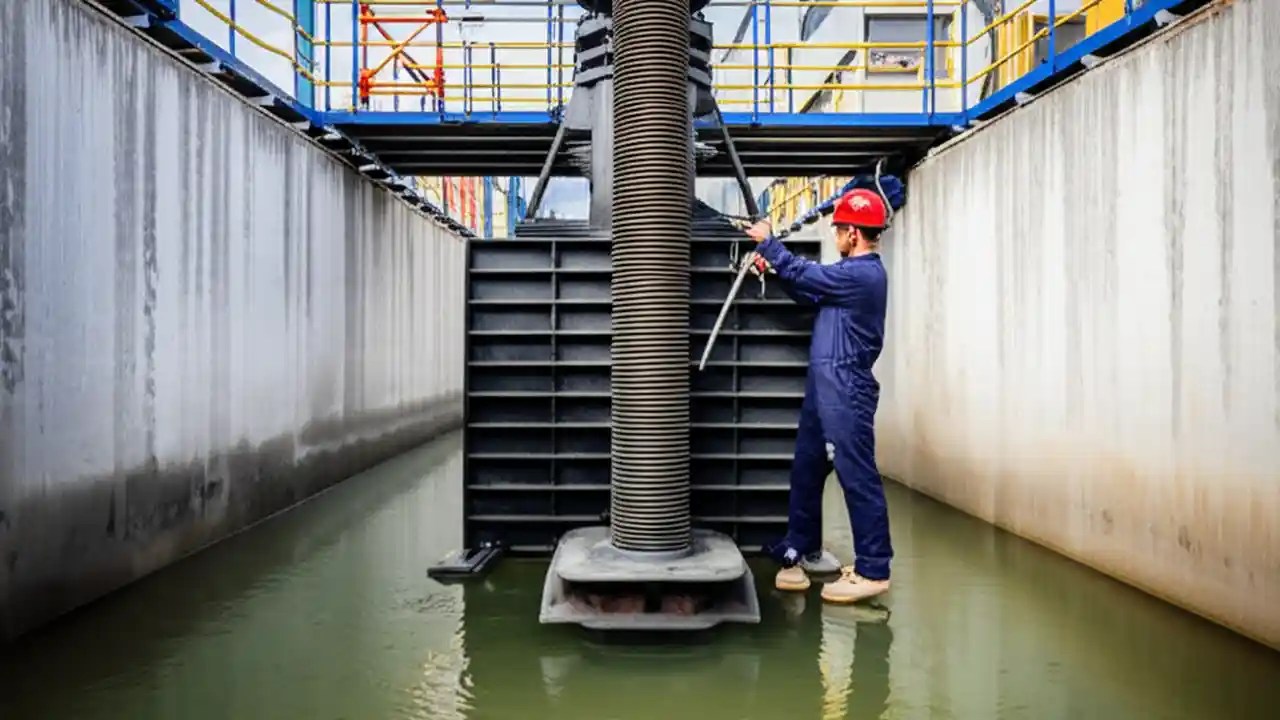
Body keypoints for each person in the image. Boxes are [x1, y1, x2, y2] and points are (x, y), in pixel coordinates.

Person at [745, 188, 893, 605]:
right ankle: (801, 547)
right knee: (807, 468)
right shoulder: (849, 275)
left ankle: (873, 568)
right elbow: (810, 291)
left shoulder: (864, 275)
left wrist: (769, 244)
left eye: (839, 230)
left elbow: (811, 277)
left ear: (853, 233)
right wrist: (772, 268)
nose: (835, 237)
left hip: (846, 389)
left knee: (857, 476)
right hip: (824, 386)